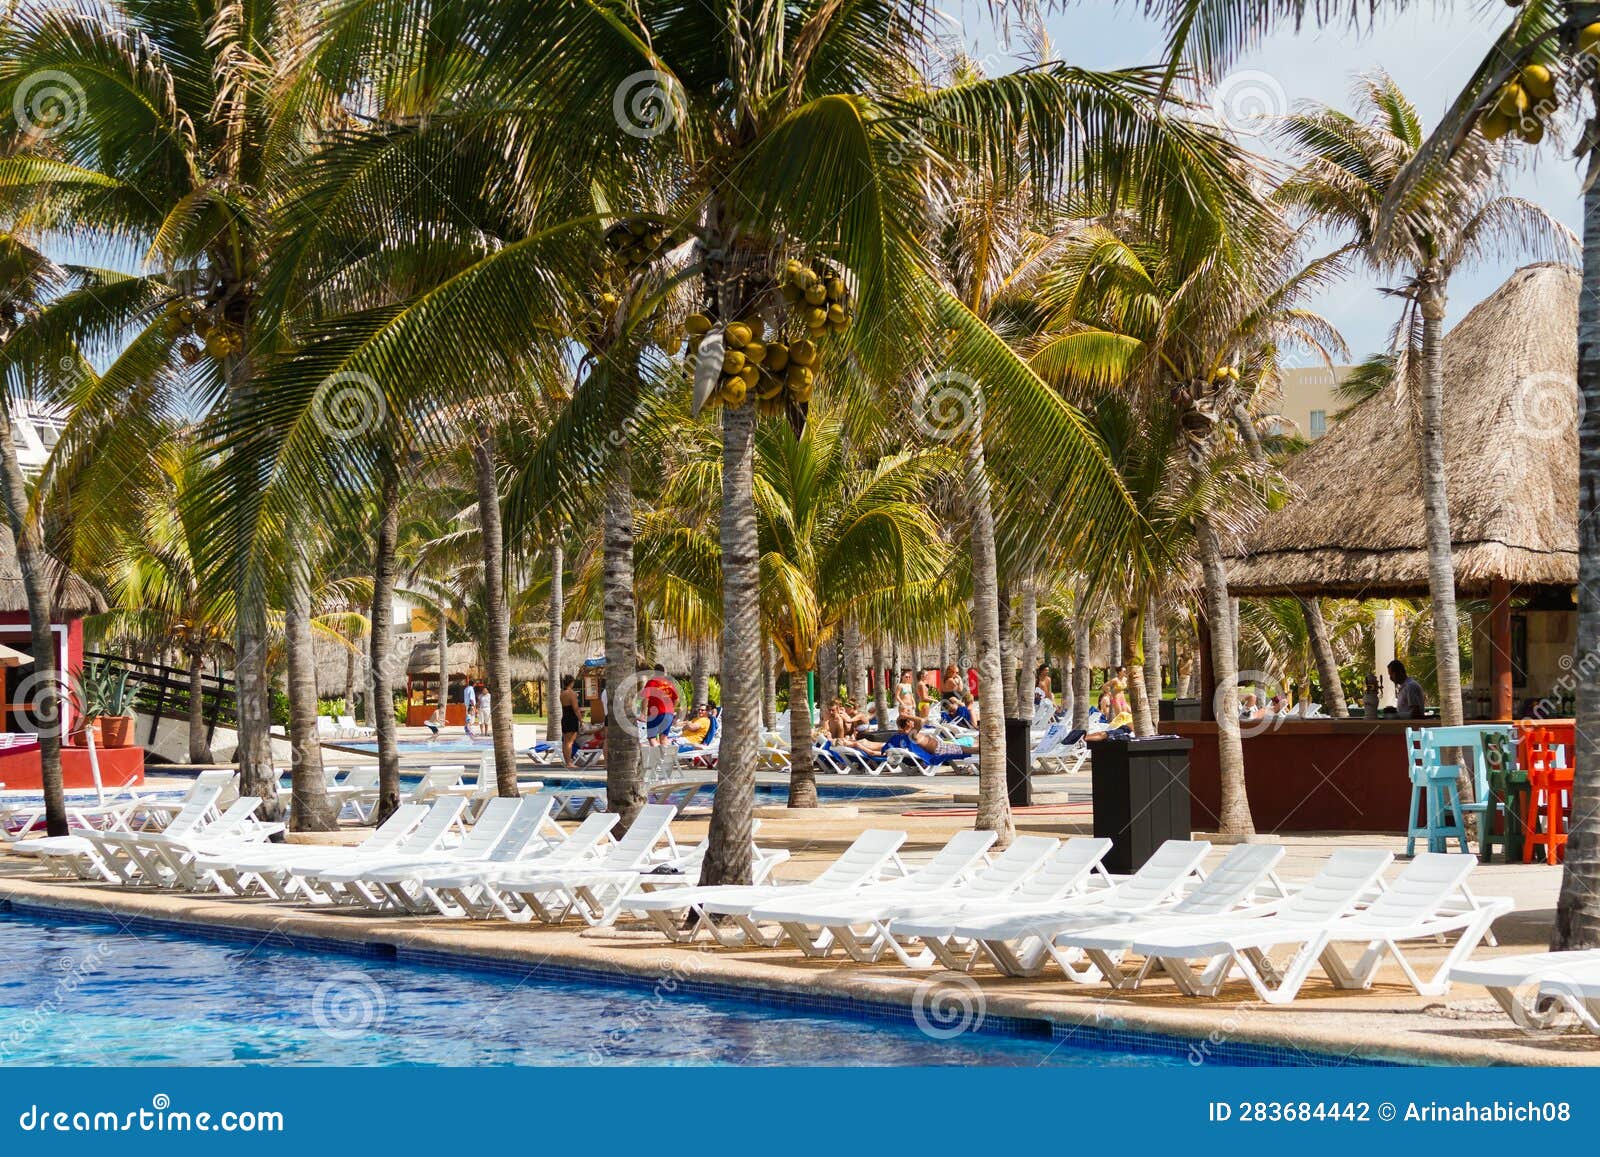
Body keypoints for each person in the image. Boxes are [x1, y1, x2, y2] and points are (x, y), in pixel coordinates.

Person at [642, 668, 678, 745]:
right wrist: (672, 709)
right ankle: (665, 756)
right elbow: (676, 699)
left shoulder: (651, 682)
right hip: (669, 714)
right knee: (664, 738)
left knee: (652, 738)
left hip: (655, 714)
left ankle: (658, 756)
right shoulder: (669, 684)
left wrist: (643, 713)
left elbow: (646, 698)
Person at [559, 675, 582, 766]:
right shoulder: (571, 693)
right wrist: (581, 720)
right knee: (570, 742)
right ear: (571, 682)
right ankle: (569, 763)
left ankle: (567, 762)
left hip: (565, 717)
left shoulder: (562, 693)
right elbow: (576, 709)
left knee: (565, 742)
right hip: (571, 718)